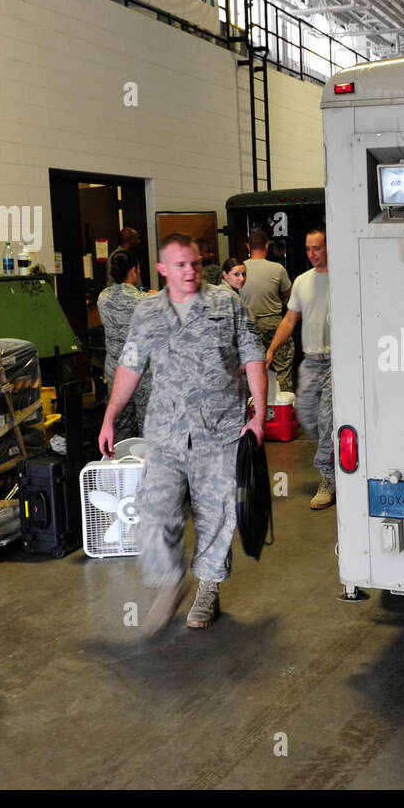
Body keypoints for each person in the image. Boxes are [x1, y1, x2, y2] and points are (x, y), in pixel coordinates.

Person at [99, 233, 267, 634]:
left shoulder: (226, 302)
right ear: (162, 269)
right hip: (166, 431)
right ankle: (172, 581)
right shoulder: (149, 313)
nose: (189, 271)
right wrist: (109, 416)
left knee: (216, 515)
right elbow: (131, 366)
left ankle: (208, 588)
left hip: (220, 428)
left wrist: (259, 414)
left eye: (194, 263)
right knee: (154, 511)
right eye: (180, 265)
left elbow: (252, 354)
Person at [266, 226, 332, 509]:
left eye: (316, 248)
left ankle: (329, 478)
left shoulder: (344, 276)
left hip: (337, 360)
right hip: (311, 360)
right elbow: (290, 320)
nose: (311, 254)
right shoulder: (302, 281)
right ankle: (337, 458)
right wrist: (271, 350)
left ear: (329, 247)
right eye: (308, 249)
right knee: (306, 413)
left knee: (327, 417)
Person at [97, 248, 152, 440]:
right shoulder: (146, 301)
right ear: (135, 270)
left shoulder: (103, 298)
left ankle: (122, 468)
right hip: (143, 376)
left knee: (121, 431)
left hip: (115, 374)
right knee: (148, 430)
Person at [240, 230, 294, 393]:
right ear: (266, 246)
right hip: (274, 325)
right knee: (282, 368)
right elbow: (289, 292)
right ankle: (284, 409)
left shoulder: (239, 270)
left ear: (248, 246)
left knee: (251, 370)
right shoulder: (277, 269)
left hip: (248, 327)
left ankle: (254, 409)